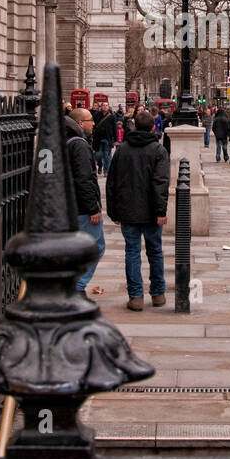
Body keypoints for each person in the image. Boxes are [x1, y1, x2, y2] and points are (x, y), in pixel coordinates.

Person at [106, 109, 170, 311]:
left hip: (127, 210)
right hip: (151, 211)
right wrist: (161, 211)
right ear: (153, 127)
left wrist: (113, 212)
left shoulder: (122, 149)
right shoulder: (158, 151)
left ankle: (135, 297)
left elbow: (111, 182)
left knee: (132, 252)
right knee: (155, 252)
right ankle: (158, 294)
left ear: (133, 126)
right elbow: (161, 183)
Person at [66, 107, 105, 298]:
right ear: (80, 123)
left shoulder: (60, 139)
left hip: (66, 205)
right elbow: (84, 178)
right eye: (90, 120)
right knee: (96, 246)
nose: (94, 123)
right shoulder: (79, 144)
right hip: (81, 207)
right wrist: (92, 208)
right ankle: (78, 286)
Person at [93, 100, 117, 174]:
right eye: (103, 105)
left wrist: (115, 139)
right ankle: (100, 165)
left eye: (106, 105)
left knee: (107, 155)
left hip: (108, 138)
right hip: (98, 138)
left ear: (108, 106)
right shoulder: (96, 115)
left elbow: (114, 128)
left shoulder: (112, 116)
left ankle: (106, 171)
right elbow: (93, 125)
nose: (105, 107)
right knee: (98, 155)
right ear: (101, 107)